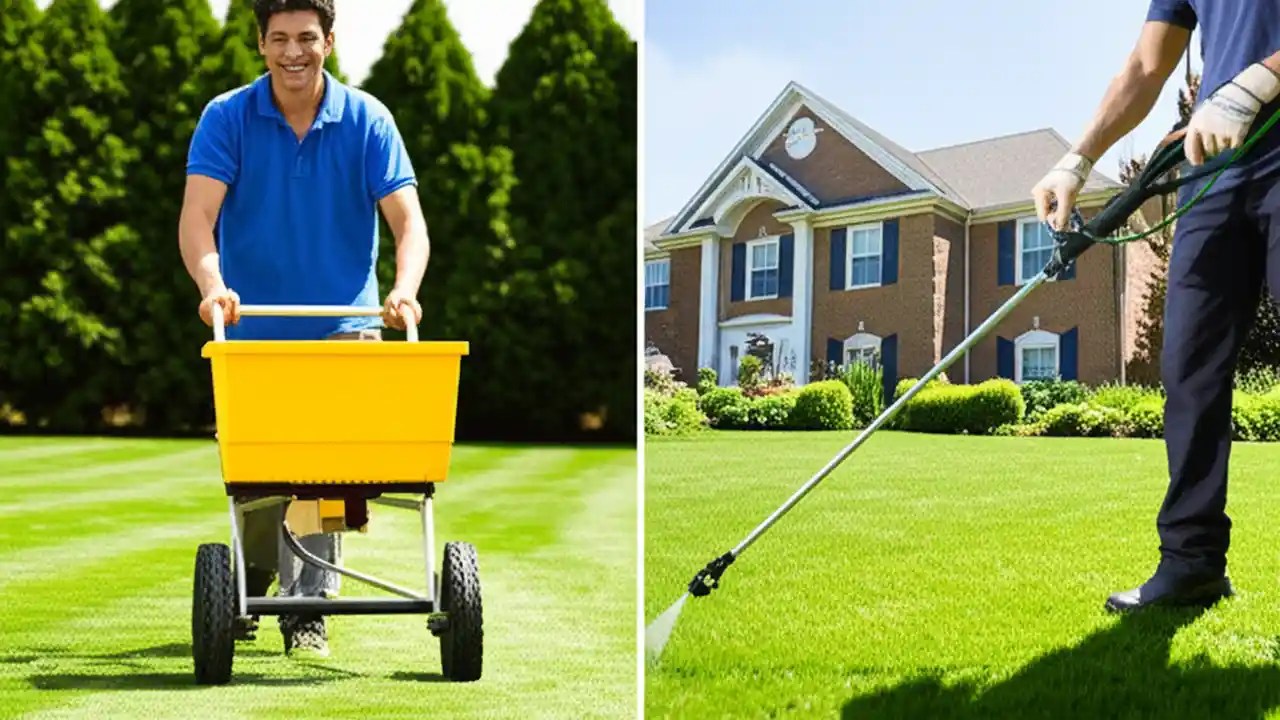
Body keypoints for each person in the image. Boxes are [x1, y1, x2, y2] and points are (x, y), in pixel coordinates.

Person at [178, 0, 429, 654]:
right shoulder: (226, 117)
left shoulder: (368, 119)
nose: (295, 51)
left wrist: (403, 291)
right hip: (253, 327)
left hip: (345, 326)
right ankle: (259, 569)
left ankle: (306, 608)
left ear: (330, 42)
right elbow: (198, 217)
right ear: (261, 44)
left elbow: (409, 224)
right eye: (281, 38)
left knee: (324, 472)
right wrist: (213, 288)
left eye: (307, 38)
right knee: (260, 475)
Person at [1033, 1, 1280, 613]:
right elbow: (1147, 66)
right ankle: (1191, 562)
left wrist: (1260, 77)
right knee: (1188, 367)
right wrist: (1077, 159)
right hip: (1214, 168)